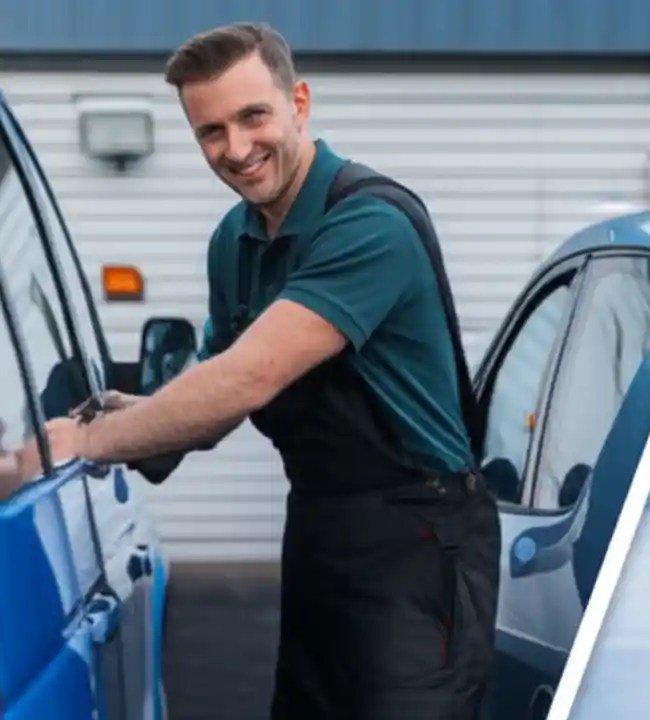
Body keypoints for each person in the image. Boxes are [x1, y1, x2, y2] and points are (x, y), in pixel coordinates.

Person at [41, 21, 500, 719]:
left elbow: (249, 377)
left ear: (300, 104)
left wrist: (86, 445)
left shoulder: (369, 225)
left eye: (253, 116)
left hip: (420, 546)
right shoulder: (234, 242)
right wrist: (114, 421)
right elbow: (211, 395)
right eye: (210, 132)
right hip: (319, 530)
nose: (236, 149)